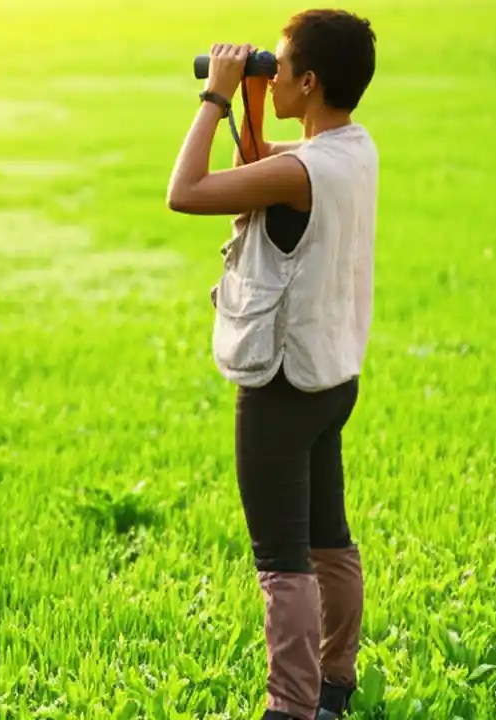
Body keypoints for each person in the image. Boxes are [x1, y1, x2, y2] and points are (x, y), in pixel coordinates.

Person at [165, 9, 378, 720]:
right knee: (329, 537)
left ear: (309, 82)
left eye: (278, 68)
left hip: (282, 386)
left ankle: (288, 708)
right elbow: (266, 166)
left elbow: (185, 192)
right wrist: (254, 102)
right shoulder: (353, 147)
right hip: (332, 376)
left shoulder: (300, 171)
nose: (271, 73)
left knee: (282, 557)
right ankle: (334, 685)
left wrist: (217, 95)